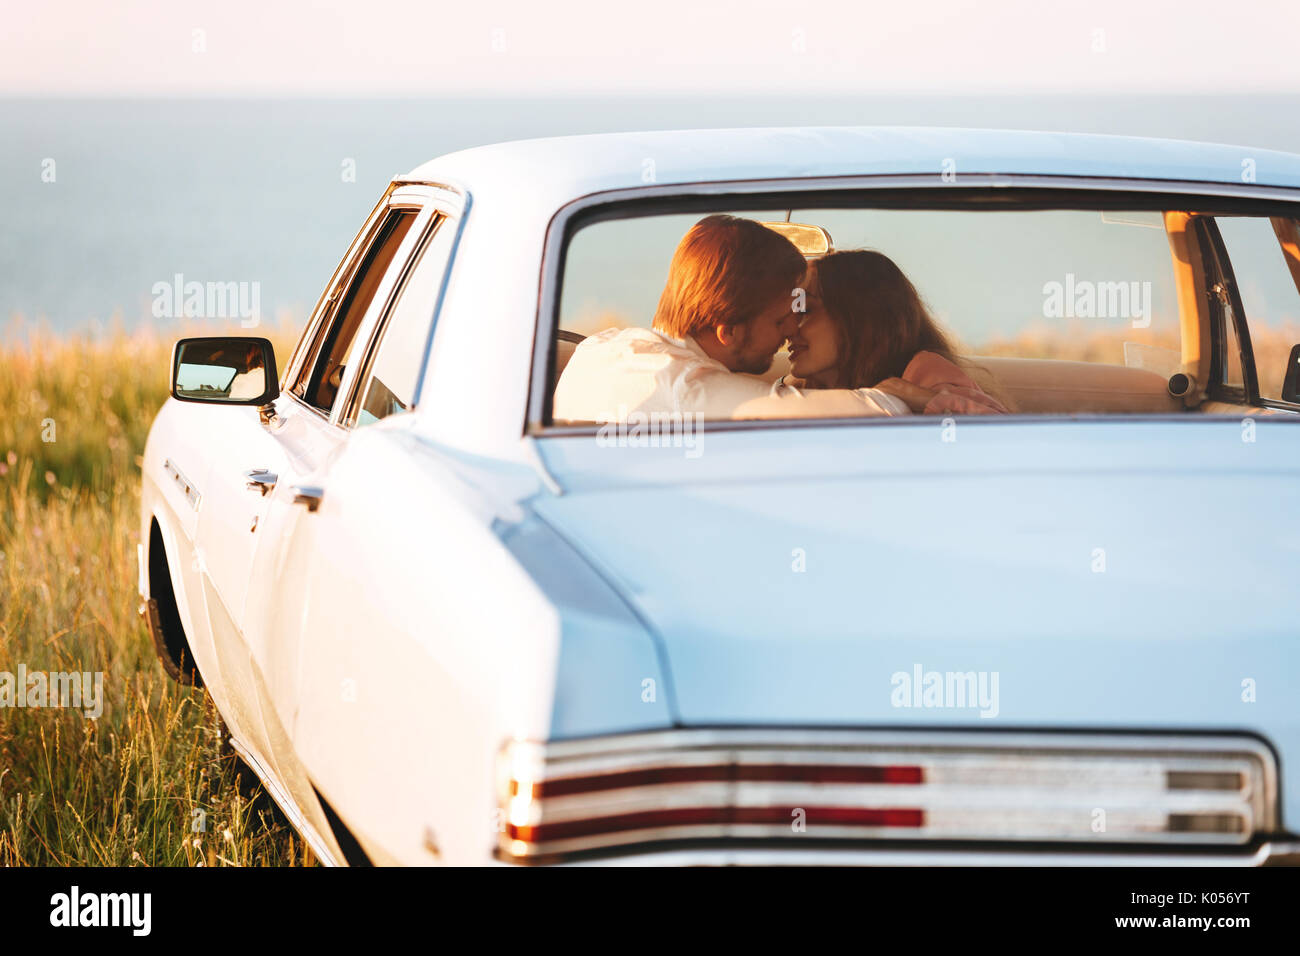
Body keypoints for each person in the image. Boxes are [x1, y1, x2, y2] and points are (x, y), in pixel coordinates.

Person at [553, 215, 927, 422]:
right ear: (728, 331)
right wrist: (901, 393)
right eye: (781, 320)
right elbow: (875, 411)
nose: (792, 329)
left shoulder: (596, 349)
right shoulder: (690, 390)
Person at [785, 250, 1009, 415]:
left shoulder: (921, 369)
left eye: (805, 310)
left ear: (858, 316)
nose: (789, 328)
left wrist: (915, 396)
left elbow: (1005, 433)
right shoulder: (794, 388)